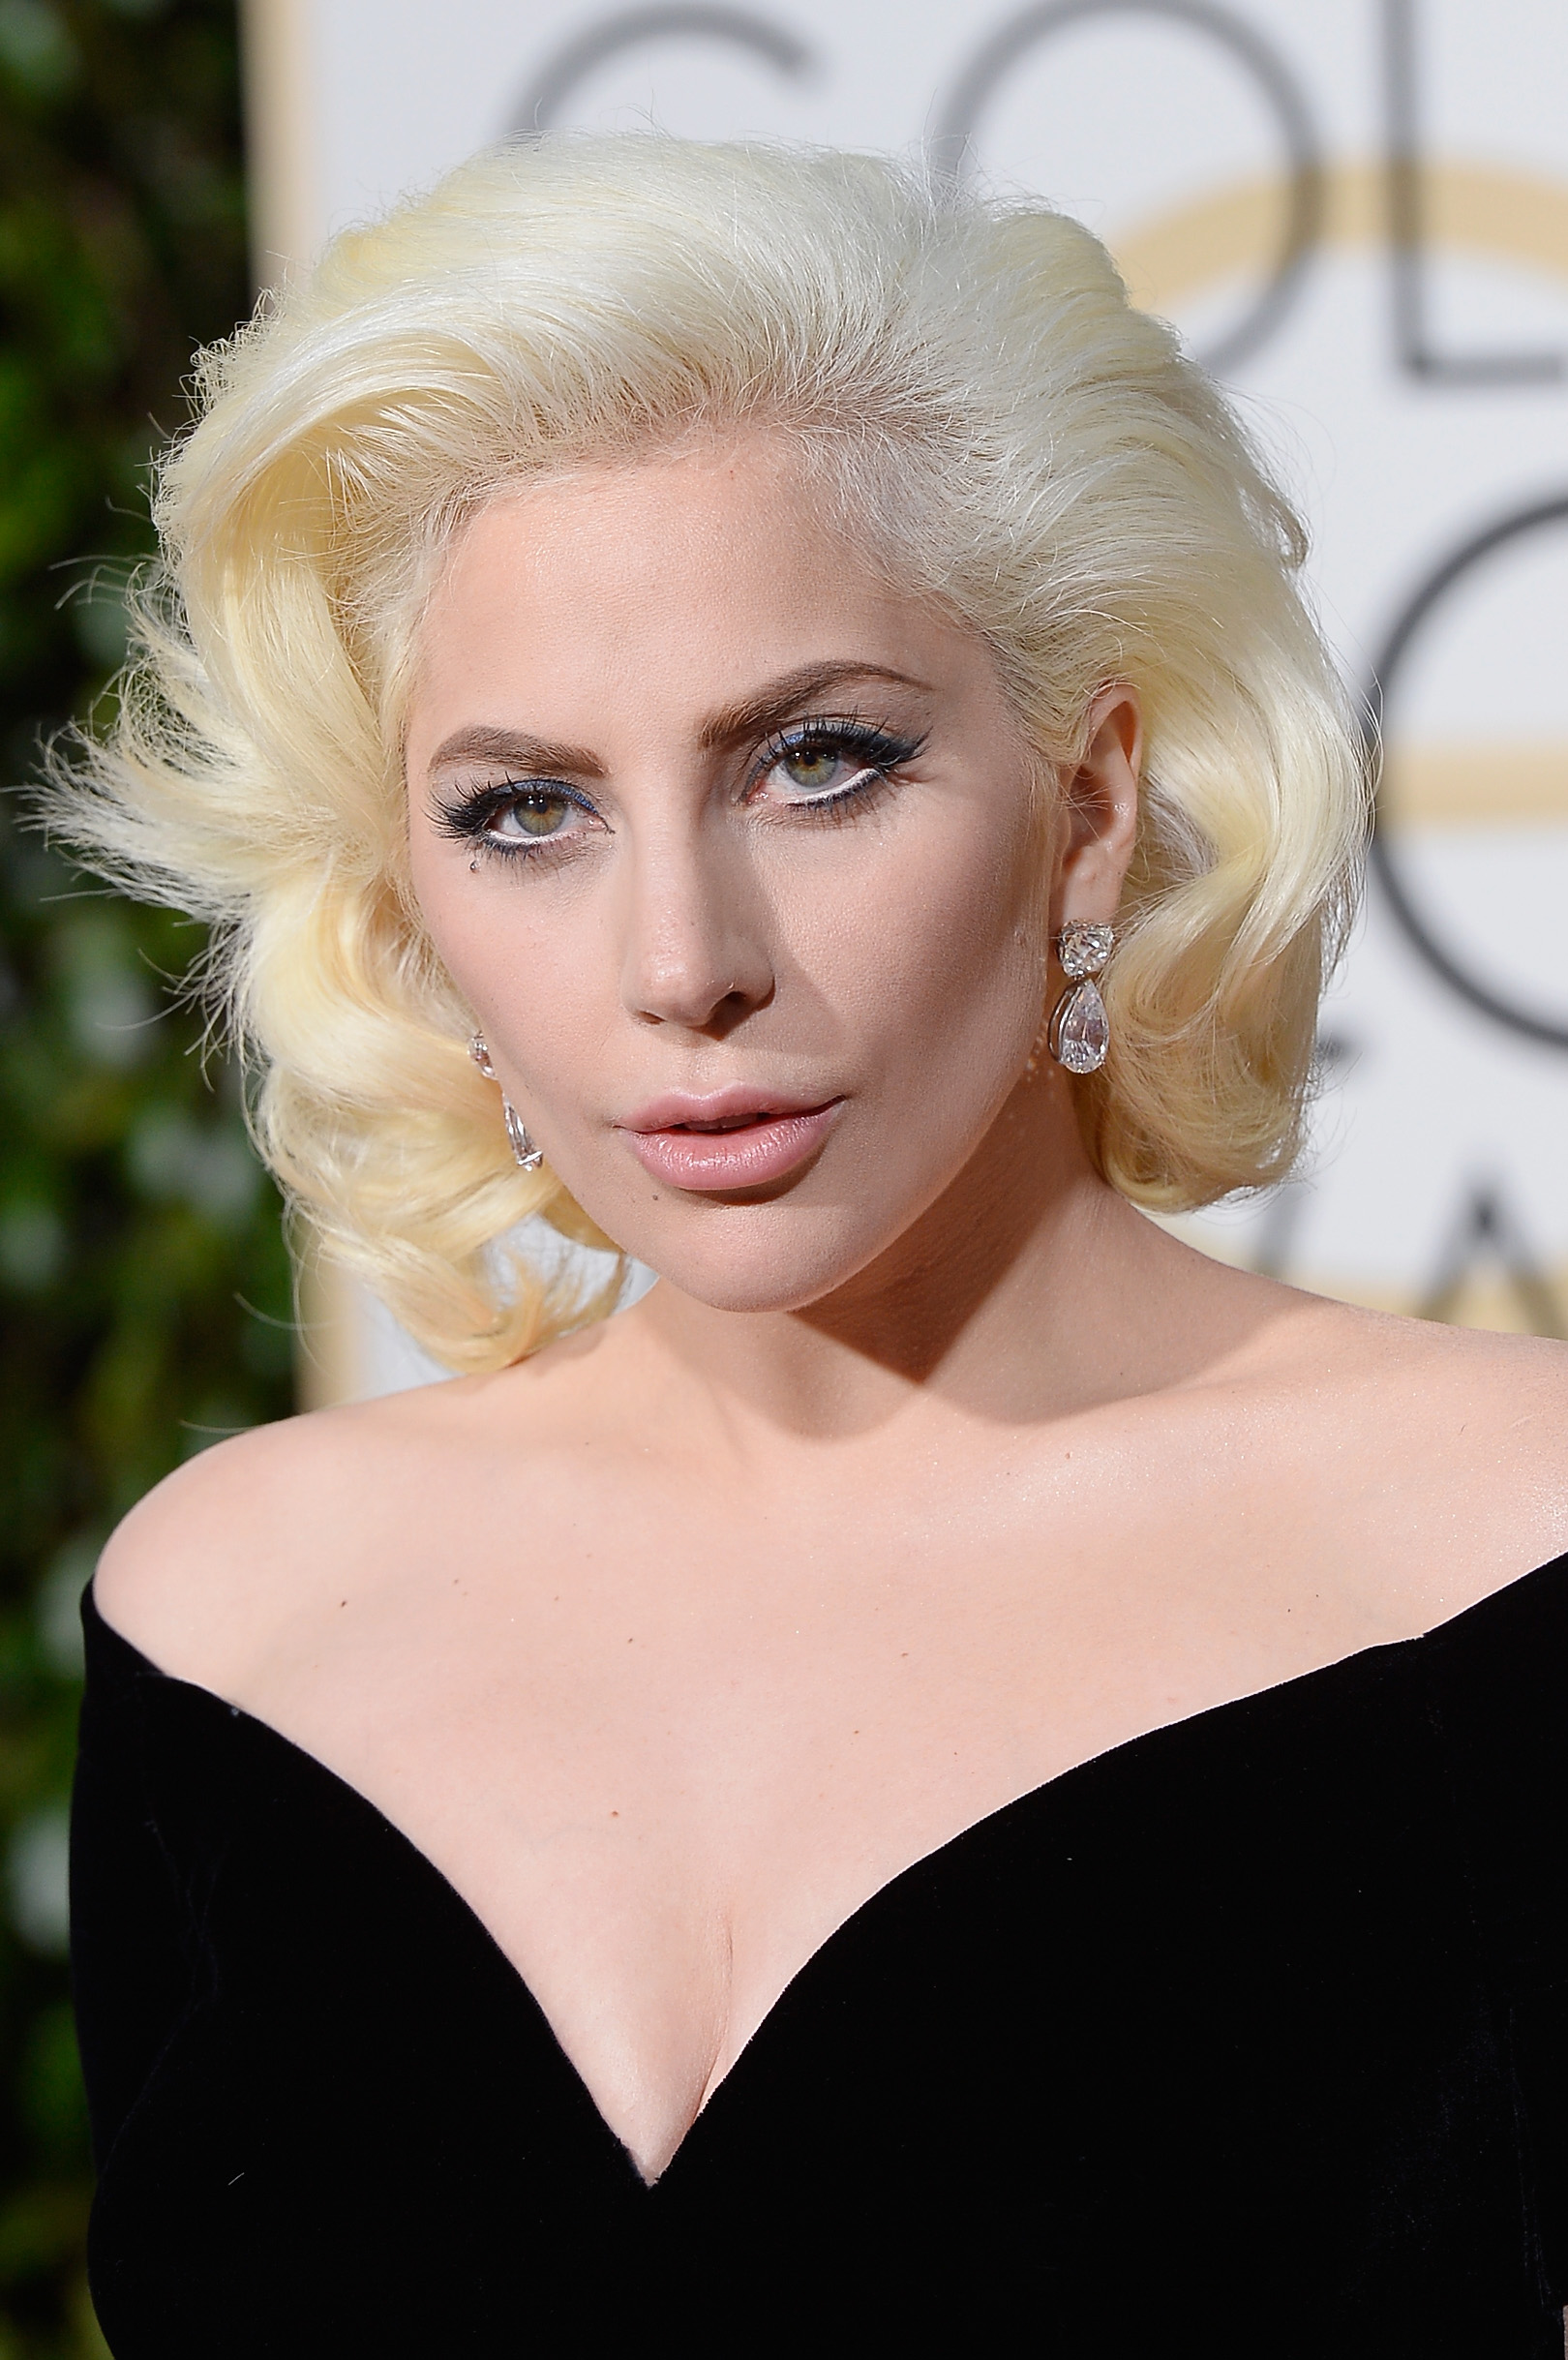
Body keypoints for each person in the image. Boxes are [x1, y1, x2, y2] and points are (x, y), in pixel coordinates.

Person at [55, 135, 1568, 2357]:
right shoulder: (235, 1624)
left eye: (821, 763)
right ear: (405, 886)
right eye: (525, 809)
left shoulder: (1507, 1545)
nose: (683, 961)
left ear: (1091, 804)